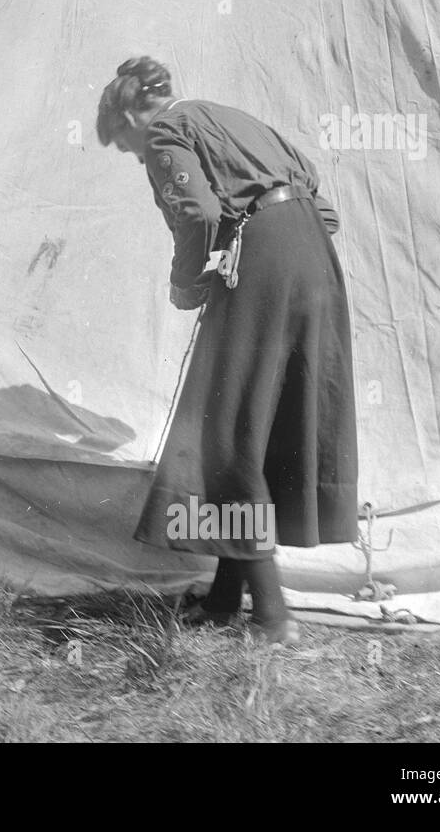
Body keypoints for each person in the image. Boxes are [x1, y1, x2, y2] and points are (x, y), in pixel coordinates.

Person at [97, 56, 358, 645]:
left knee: (226, 431)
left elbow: (199, 212)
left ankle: (272, 617)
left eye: (126, 146)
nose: (138, 158)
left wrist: (186, 282)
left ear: (132, 115)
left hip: (264, 264)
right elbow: (325, 210)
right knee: (261, 429)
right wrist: (279, 237)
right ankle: (222, 599)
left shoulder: (166, 131)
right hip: (314, 261)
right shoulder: (233, 117)